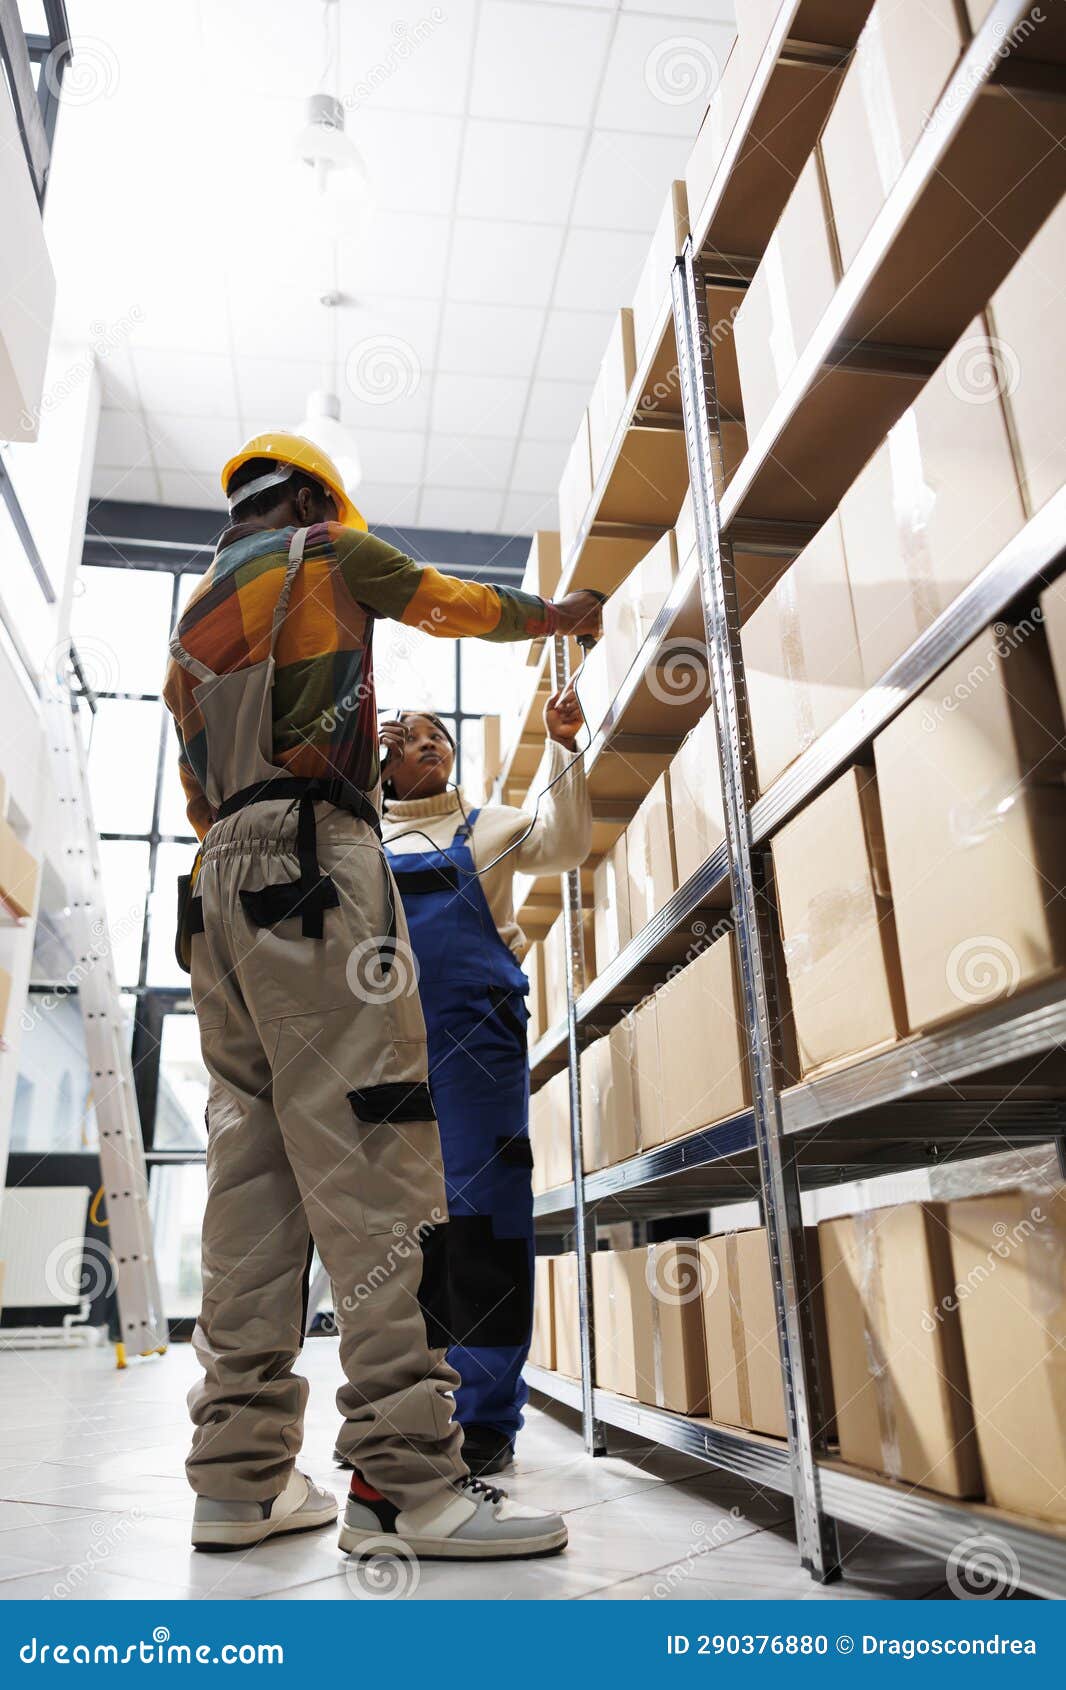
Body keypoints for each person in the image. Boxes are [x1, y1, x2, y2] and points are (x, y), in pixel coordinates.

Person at [162, 431, 602, 1560]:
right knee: (378, 1168)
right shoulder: (332, 550)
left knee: (250, 1182)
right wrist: (554, 618)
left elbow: (192, 783)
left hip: (217, 893)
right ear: (313, 496)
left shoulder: (195, 613)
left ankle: (240, 1480)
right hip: (319, 861)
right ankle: (404, 1482)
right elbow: (451, 603)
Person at [376, 690, 591, 1476]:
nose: (429, 743)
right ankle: (398, 1411)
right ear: (379, 764)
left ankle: (484, 1416)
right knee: (392, 1225)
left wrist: (562, 747)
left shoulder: (490, 825)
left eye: (438, 733)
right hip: (380, 1038)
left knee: (484, 1217)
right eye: (406, 736)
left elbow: (566, 842)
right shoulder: (359, 838)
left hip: (476, 1037)